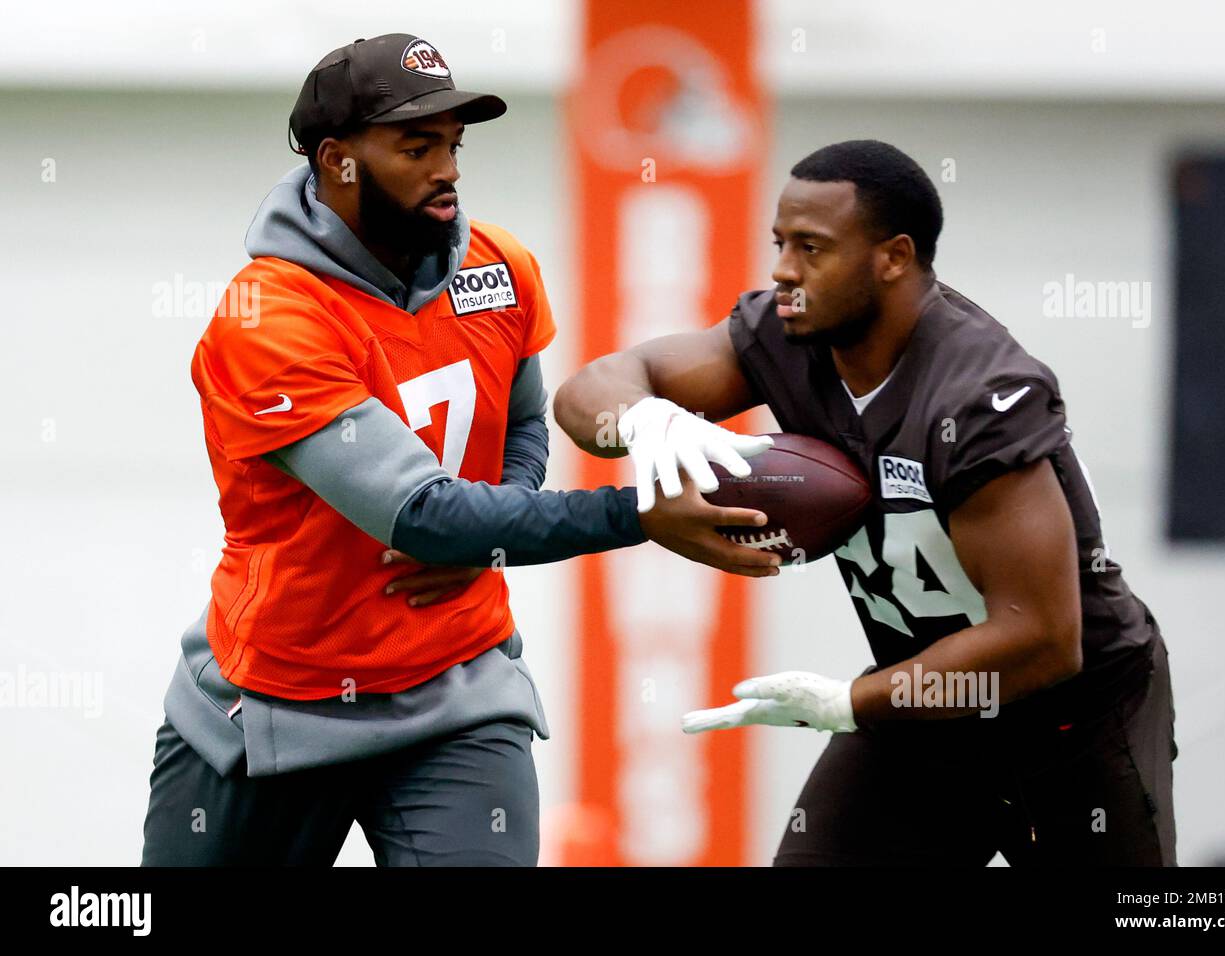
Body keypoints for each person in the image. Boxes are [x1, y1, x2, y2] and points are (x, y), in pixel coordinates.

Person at [140, 33, 776, 867]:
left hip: (457, 687)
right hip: (278, 701)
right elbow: (421, 515)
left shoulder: (500, 267)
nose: (449, 169)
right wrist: (641, 514)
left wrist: (491, 542)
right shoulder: (269, 316)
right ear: (338, 162)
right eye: (416, 147)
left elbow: (522, 426)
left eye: (453, 144)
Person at [554, 139, 1178, 866]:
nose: (784, 270)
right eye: (780, 244)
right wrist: (643, 419)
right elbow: (592, 389)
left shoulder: (976, 397)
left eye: (812, 248)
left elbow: (1041, 637)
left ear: (893, 257)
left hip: (1070, 713)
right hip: (926, 704)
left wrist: (849, 703)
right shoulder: (789, 338)